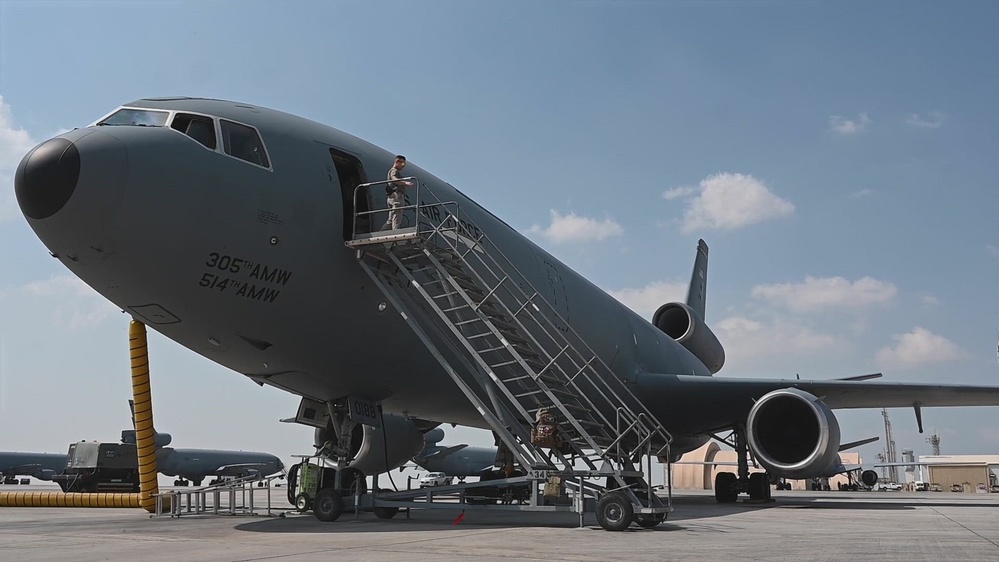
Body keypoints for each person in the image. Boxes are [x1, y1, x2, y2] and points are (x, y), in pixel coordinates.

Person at [381, 155, 414, 230]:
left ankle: (381, 232)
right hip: (396, 196)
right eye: (402, 164)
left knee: (390, 219)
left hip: (391, 196)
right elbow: (394, 179)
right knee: (397, 215)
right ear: (397, 162)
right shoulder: (394, 171)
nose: (403, 166)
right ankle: (395, 231)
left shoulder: (392, 171)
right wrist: (405, 183)